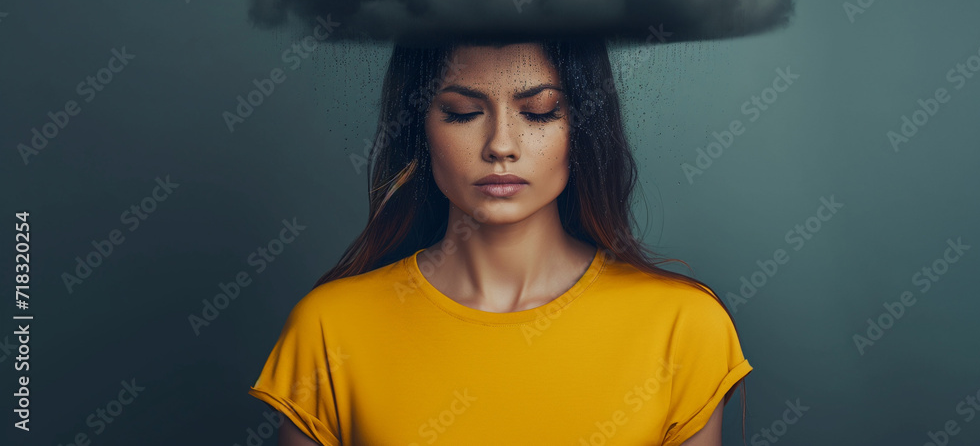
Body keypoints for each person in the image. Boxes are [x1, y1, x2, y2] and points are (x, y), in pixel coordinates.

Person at [248, 37, 752, 445]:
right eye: (464, 113)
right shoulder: (329, 330)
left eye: (539, 112)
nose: (501, 146)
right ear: (420, 128)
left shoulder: (682, 327)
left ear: (582, 127)